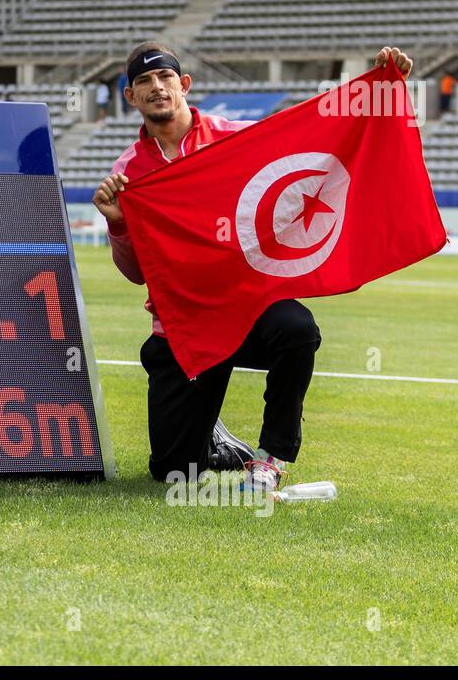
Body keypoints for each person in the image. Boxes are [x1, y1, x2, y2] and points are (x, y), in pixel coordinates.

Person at [93, 41, 414, 492]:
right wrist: (122, 227)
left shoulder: (238, 138)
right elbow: (136, 273)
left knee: (296, 328)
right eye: (143, 82)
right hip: (185, 326)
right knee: (172, 473)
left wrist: (377, 89)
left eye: (165, 77)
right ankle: (217, 443)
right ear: (131, 97)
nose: (156, 87)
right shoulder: (128, 172)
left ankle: (271, 458)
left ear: (184, 85)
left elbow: (313, 132)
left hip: (248, 310)